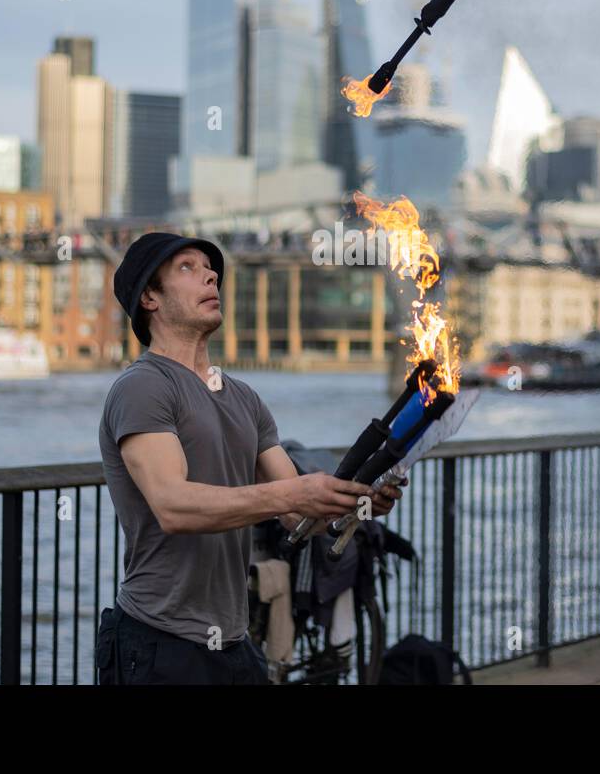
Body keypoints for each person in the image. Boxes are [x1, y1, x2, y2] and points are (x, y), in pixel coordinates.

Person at [95, 233, 404, 684]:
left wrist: (354, 502)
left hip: (235, 644)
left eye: (210, 267)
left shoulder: (244, 398)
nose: (210, 274)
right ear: (149, 298)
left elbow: (297, 516)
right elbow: (173, 506)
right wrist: (294, 490)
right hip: (159, 642)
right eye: (187, 267)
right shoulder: (142, 387)